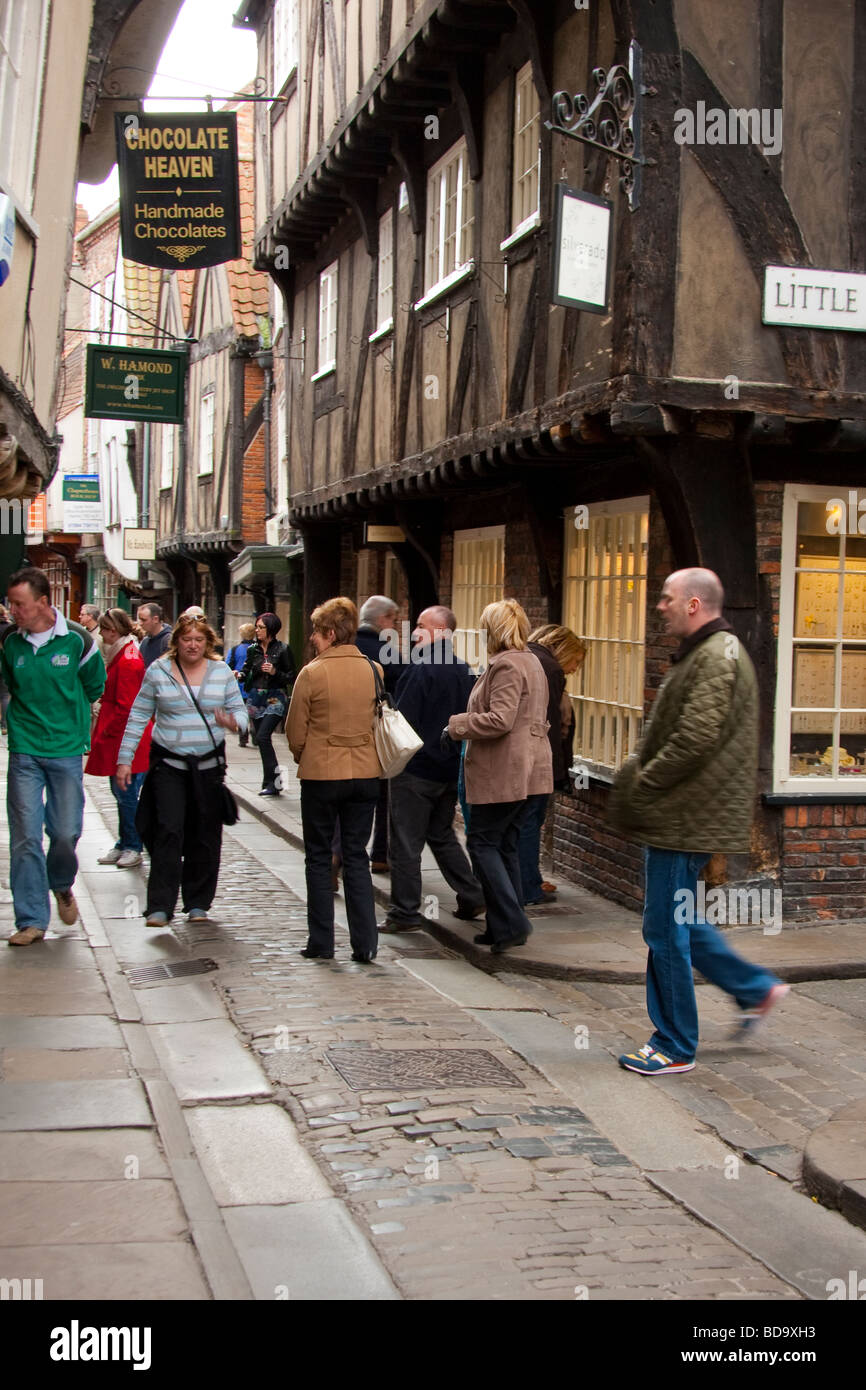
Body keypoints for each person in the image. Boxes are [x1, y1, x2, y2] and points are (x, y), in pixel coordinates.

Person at [609, 567, 788, 1076]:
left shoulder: (717, 655)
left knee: (664, 929)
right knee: (682, 919)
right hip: (686, 812)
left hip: (684, 815)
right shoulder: (708, 652)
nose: (659, 606)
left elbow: (694, 738)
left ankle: (674, 1044)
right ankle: (756, 988)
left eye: (666, 599)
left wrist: (643, 783)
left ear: (693, 604)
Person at [116, 612, 247, 928]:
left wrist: (233, 723)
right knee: (168, 831)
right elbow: (138, 716)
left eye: (199, 640)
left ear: (208, 643)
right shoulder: (159, 671)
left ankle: (198, 902)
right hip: (169, 765)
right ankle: (160, 906)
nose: (193, 646)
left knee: (205, 833)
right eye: (187, 639)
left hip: (208, 767)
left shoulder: (221, 673)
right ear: (176, 642)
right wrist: (124, 760)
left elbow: (242, 715)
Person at [1, 567, 106, 945]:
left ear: (44, 603)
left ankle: (61, 882)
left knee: (65, 832)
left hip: (64, 749)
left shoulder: (77, 641)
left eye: (19, 604)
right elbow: (12, 684)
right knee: (25, 837)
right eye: (11, 604)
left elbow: (95, 684)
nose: (13, 611)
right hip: (25, 749)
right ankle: (30, 919)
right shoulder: (12, 643)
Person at [445, 598, 553, 954]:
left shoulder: (506, 665)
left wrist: (456, 726)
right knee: (504, 843)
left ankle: (513, 920)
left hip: (504, 773)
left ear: (493, 630)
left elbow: (500, 720)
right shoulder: (532, 662)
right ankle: (503, 925)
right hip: (527, 772)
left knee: (482, 842)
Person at [285, 596, 381, 963]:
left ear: (329, 632)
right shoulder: (374, 671)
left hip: (323, 776)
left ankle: (322, 942)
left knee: (319, 857)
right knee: (357, 856)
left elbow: (295, 733)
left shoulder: (312, 673)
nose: (312, 638)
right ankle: (365, 943)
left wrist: (307, 756)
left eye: (316, 632)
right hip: (366, 775)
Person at [380, 605, 484, 933]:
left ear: (439, 631)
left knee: (406, 843)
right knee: (441, 835)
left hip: (416, 770)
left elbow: (402, 719)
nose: (414, 633)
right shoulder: (464, 669)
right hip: (450, 768)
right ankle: (471, 893)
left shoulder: (421, 667)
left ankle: (404, 913)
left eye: (421, 626)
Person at [518, 624, 585, 906]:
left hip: (519, 759)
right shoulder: (550, 669)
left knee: (521, 823)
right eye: (576, 661)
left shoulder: (524, 656)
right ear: (565, 650)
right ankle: (528, 887)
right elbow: (552, 726)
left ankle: (523, 881)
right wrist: (558, 773)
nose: (574, 669)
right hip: (538, 763)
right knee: (530, 823)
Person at [86, 609, 151, 868]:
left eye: (103, 629)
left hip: (126, 736)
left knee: (125, 792)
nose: (100, 634)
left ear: (113, 630)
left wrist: (107, 731)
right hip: (123, 733)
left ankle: (133, 845)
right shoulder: (124, 654)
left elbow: (127, 706)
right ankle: (125, 842)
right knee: (121, 791)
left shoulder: (127, 660)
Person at [355, 595, 400, 870]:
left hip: (347, 737)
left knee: (350, 798)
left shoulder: (344, 648)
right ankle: (380, 854)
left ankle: (344, 852)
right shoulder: (388, 654)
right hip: (380, 735)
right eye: (394, 621)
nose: (395, 627)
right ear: (382, 620)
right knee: (383, 795)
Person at [240, 613, 295, 795]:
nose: (257, 630)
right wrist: (238, 675)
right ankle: (269, 782)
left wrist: (274, 672)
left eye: (261, 627)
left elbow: (291, 676)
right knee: (262, 740)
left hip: (275, 697)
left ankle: (275, 783)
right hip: (256, 698)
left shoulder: (283, 649)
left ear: (270, 629)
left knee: (263, 737)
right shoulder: (252, 649)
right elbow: (246, 670)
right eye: (256, 627)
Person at [226, 621, 255, 747]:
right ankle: (256, 733)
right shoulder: (258, 649)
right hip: (255, 685)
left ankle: (243, 738)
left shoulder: (235, 650)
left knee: (242, 712)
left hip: (240, 686)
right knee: (255, 711)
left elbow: (228, 666)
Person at [137, 603, 172, 669]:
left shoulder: (169, 641)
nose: (140, 623)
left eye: (144, 620)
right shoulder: (144, 642)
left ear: (155, 619)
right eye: (139, 619)